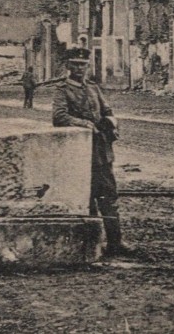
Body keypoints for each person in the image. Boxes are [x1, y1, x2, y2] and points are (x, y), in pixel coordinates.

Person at [52, 48, 131, 256]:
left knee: (109, 197)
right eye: (75, 64)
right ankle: (89, 244)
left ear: (88, 66)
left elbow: (106, 110)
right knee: (86, 199)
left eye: (82, 64)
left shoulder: (94, 88)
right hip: (80, 152)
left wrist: (111, 122)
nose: (79, 68)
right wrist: (83, 123)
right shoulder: (62, 89)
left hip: (102, 152)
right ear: (68, 66)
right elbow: (59, 116)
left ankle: (115, 243)